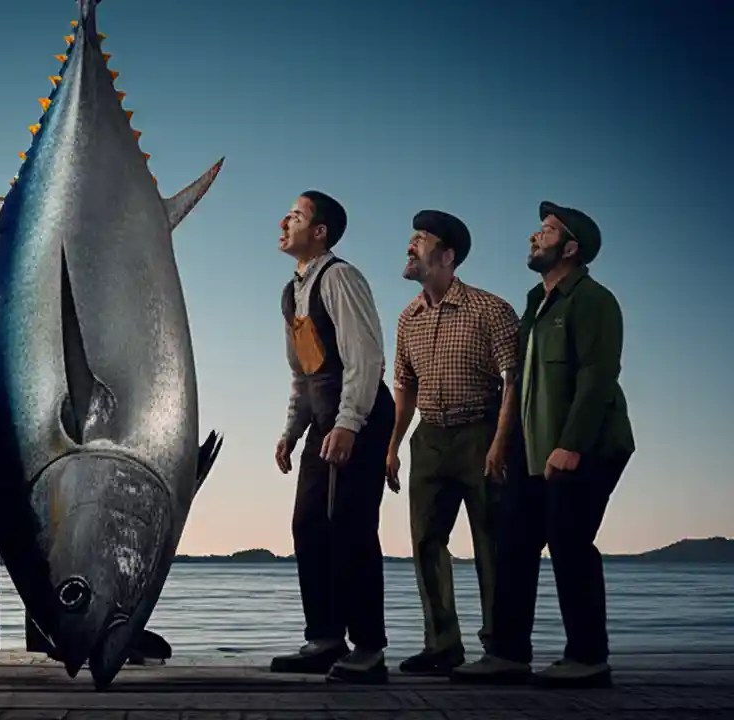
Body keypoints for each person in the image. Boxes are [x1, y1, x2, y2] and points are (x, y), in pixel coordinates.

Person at [452, 201, 634, 688]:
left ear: (570, 248)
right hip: (533, 451)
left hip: (588, 446)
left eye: (548, 231)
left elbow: (598, 377)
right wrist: (505, 447)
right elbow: (524, 386)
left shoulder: (594, 300)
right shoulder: (536, 303)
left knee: (571, 543)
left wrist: (571, 444)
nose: (535, 236)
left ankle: (589, 658)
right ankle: (509, 655)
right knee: (514, 543)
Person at [268, 190, 396, 684]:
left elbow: (366, 357)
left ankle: (368, 649)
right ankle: (324, 639)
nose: (285, 219)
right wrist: (291, 430)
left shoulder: (339, 278)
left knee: (350, 527)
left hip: (358, 418)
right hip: (324, 423)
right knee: (307, 525)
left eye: (296, 215)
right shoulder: (289, 292)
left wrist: (348, 423)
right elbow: (302, 374)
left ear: (319, 232)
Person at [385, 210, 520, 675]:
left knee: (492, 542)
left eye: (420, 240)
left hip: (480, 431)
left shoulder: (491, 309)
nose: (409, 246)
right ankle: (442, 645)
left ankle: (500, 648)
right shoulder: (407, 318)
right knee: (425, 541)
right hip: (429, 437)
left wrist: (501, 444)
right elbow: (404, 386)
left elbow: (514, 381)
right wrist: (394, 445)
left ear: (446, 255)